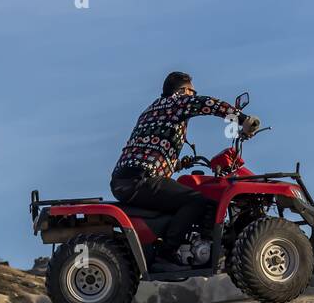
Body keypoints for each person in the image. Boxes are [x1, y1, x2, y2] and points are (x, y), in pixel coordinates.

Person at [110, 71, 260, 264]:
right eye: (193, 92)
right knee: (196, 201)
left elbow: (148, 150)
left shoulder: (150, 110)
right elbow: (209, 104)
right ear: (183, 90)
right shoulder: (177, 102)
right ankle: (167, 253)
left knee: (179, 198)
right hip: (141, 179)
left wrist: (179, 164)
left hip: (125, 179)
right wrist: (243, 119)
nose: (194, 96)